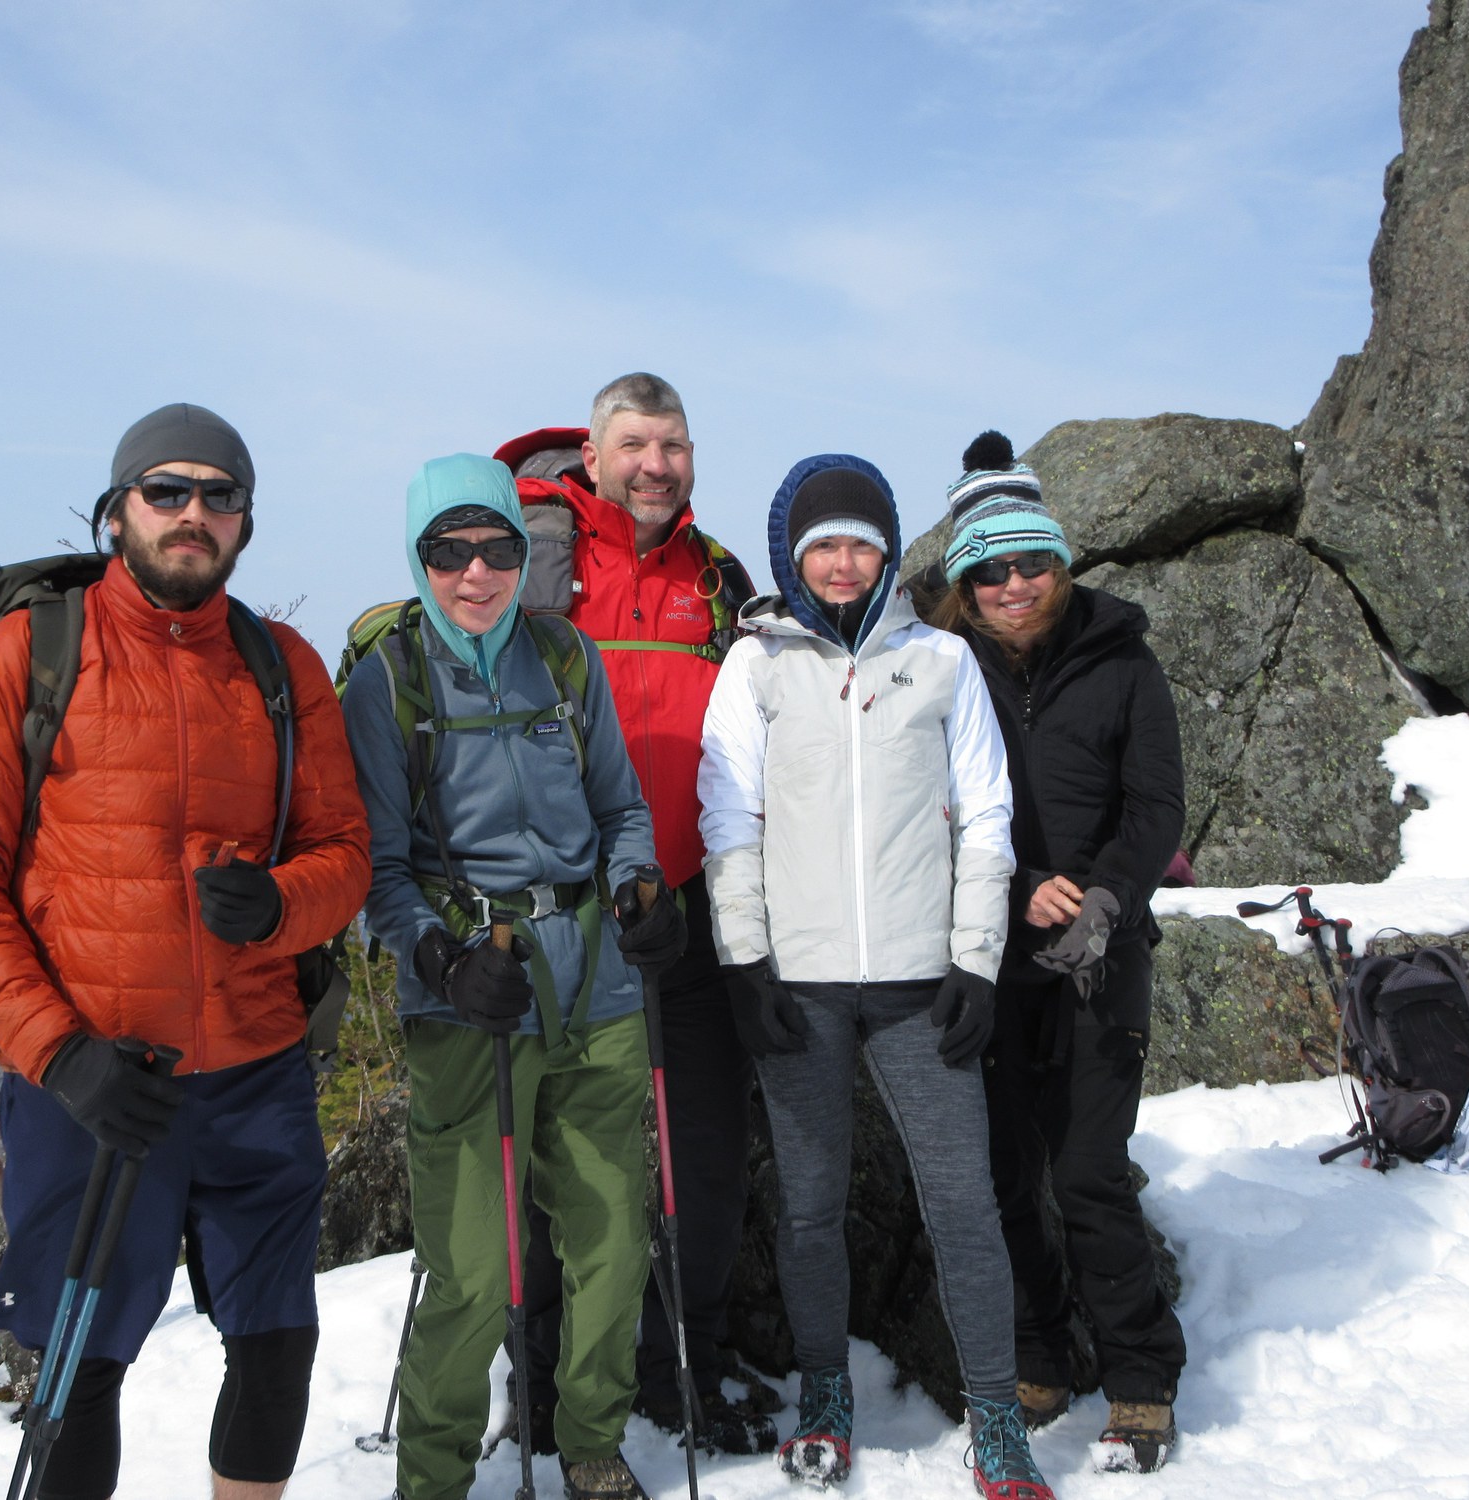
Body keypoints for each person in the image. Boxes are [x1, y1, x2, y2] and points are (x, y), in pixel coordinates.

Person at [0, 402, 372, 1500]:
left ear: (245, 522)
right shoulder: (29, 656)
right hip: (90, 1079)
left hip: (255, 1068)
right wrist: (60, 1055)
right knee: (81, 1372)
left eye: (219, 495)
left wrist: (277, 905)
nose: (192, 513)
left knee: (277, 1348)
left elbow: (345, 855)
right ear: (116, 511)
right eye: (166, 490)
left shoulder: (281, 666)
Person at [698, 454, 1056, 1500]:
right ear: (793, 556)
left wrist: (976, 964)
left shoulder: (939, 660)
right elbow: (727, 816)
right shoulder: (756, 665)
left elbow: (986, 815)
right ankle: (824, 1394)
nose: (844, 562)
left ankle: (996, 1418)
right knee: (809, 1207)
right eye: (825, 546)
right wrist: (744, 961)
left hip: (918, 983)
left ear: (890, 553)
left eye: (862, 543)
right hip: (798, 984)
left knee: (963, 1204)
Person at [340, 453, 687, 1500]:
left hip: (593, 982)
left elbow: (621, 808)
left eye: (495, 547)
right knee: (474, 1267)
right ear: (419, 559)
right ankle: (432, 1479)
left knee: (612, 1239)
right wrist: (438, 960)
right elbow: (377, 869)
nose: (476, 573)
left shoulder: (565, 657)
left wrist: (638, 889)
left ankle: (591, 1444)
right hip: (473, 992)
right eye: (448, 551)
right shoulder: (388, 681)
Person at [492, 372, 775, 1456]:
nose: (656, 466)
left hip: (688, 906)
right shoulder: (535, 561)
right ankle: (543, 1370)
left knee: (704, 1148)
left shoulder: (717, 579)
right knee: (557, 1157)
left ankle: (679, 1357)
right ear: (593, 456)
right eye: (635, 445)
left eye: (674, 445)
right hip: (564, 912)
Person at [928, 430, 1188, 1474]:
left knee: (1086, 1173)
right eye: (988, 571)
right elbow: (927, 805)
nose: (1013, 585)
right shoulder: (944, 668)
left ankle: (1139, 1378)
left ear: (1060, 560)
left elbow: (1155, 804)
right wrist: (1015, 883)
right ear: (963, 584)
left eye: (1030, 562)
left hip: (1099, 954)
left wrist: (1106, 900)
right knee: (1000, 1173)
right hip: (986, 951)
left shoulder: (1123, 659)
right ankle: (1037, 1358)